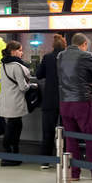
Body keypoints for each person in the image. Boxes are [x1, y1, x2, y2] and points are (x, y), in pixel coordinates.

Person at [58, 33, 92, 181]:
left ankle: (74, 173)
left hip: (64, 102)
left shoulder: (61, 56)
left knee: (71, 139)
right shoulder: (85, 55)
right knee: (89, 137)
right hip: (81, 101)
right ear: (84, 44)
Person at [0, 42, 36, 166]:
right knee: (14, 128)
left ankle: (10, 154)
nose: (22, 52)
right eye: (20, 50)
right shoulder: (16, 66)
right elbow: (23, 87)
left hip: (5, 100)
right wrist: (33, 86)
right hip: (15, 101)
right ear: (13, 51)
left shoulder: (3, 64)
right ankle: (9, 154)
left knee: (13, 126)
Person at [34, 34, 68, 169]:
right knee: (67, 130)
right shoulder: (67, 58)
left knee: (48, 130)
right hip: (66, 98)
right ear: (65, 45)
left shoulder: (47, 57)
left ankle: (45, 160)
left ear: (53, 45)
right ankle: (66, 159)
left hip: (49, 99)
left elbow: (39, 75)